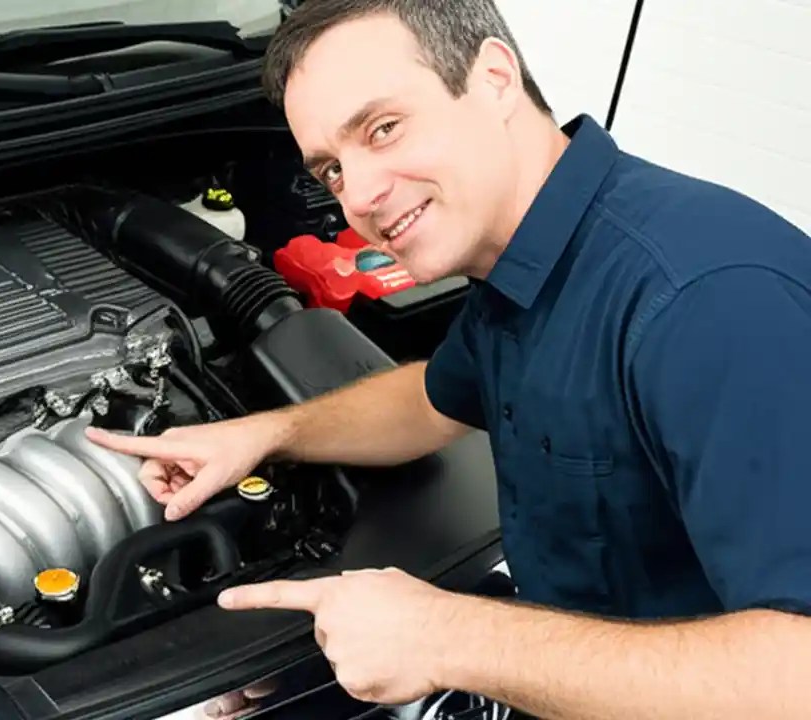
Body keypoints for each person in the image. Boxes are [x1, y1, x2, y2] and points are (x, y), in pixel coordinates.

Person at [84, 0, 811, 717]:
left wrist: (448, 637)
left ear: (494, 78)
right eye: (332, 169)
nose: (359, 197)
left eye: (384, 128)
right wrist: (264, 435)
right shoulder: (522, 253)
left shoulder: (709, 304)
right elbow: (431, 402)